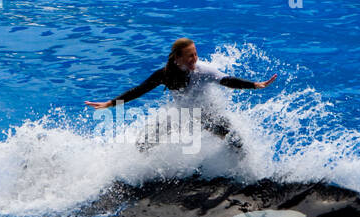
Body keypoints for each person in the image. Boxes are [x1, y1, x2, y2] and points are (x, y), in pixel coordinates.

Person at [84, 38, 276, 152]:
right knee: (144, 143)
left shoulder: (204, 70)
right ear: (178, 58)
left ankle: (243, 176)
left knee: (236, 141)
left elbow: (227, 80)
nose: (194, 59)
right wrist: (111, 103)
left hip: (207, 114)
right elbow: (140, 90)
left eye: (195, 54)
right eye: (189, 55)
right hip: (181, 113)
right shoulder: (165, 75)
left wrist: (254, 85)